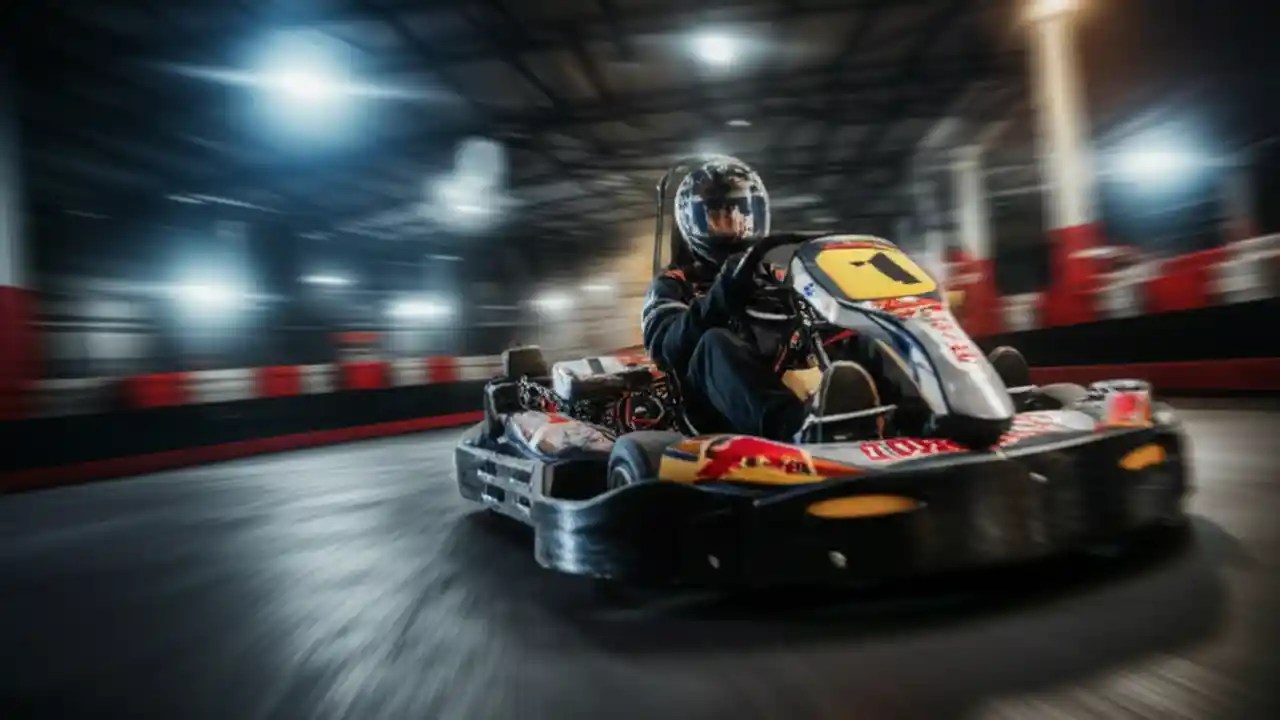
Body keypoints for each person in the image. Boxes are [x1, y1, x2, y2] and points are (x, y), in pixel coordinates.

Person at [641, 156, 906, 443]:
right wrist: (722, 294)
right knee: (715, 343)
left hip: (780, 380)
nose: (734, 223)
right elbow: (666, 348)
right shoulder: (673, 284)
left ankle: (921, 418)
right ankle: (796, 432)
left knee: (856, 337)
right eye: (719, 215)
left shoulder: (775, 277)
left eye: (741, 213)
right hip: (711, 410)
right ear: (694, 221)